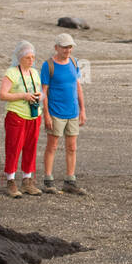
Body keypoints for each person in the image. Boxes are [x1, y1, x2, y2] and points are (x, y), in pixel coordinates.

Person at [39, 33, 87, 195]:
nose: (68, 50)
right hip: (55, 111)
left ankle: (70, 180)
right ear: (56, 47)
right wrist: (46, 114)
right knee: (52, 145)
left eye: (70, 47)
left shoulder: (74, 62)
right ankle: (48, 180)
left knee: (72, 146)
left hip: (72, 111)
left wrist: (82, 109)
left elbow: (78, 86)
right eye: (65, 47)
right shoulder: (48, 65)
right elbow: (43, 92)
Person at [0, 41, 42, 198]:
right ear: (20, 58)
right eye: (27, 57)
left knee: (31, 147)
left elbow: (39, 91)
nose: (31, 60)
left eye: (33, 57)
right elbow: (3, 95)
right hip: (16, 114)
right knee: (14, 147)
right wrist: (23, 96)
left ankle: (27, 179)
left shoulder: (34, 72)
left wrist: (38, 97)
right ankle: (10, 179)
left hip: (34, 114)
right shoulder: (12, 72)